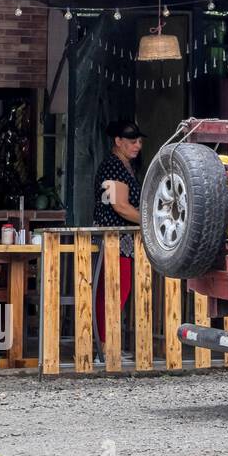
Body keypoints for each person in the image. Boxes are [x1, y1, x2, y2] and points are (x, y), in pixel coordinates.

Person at [92, 120, 144, 340]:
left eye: (140, 141)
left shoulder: (127, 166)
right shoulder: (113, 166)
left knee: (116, 288)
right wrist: (150, 221)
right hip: (113, 238)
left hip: (123, 240)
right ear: (118, 141)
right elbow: (121, 206)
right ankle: (104, 344)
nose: (138, 145)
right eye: (133, 141)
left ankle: (106, 342)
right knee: (114, 288)